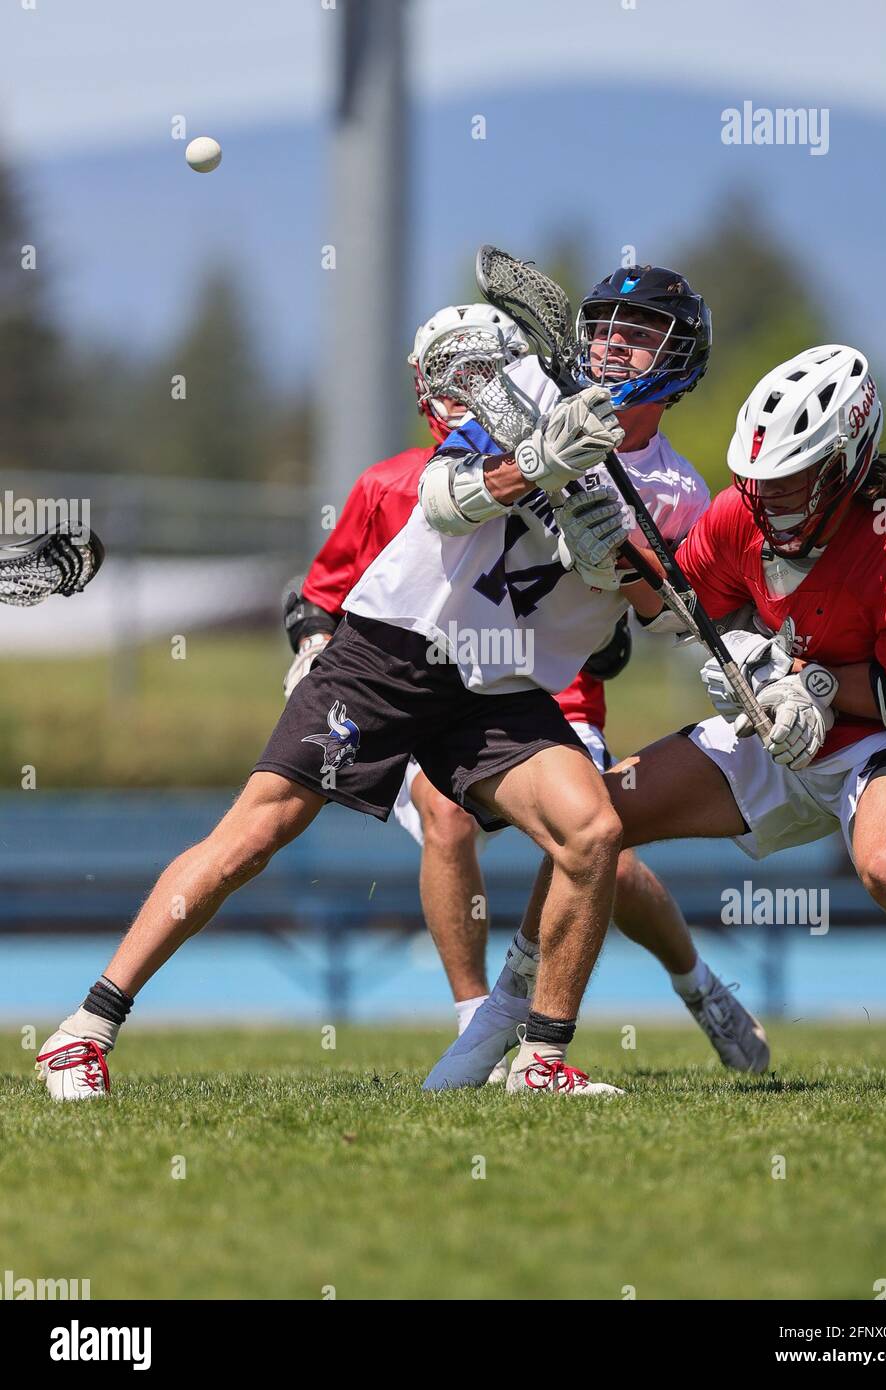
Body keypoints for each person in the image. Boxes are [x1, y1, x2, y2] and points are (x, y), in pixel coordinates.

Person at [35, 264, 727, 1102]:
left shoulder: (680, 490)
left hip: (497, 683)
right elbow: (439, 498)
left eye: (640, 329)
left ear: (680, 356)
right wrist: (538, 465)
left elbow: (663, 608)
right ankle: (83, 1033)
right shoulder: (529, 391)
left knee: (591, 833)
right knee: (258, 832)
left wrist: (612, 550)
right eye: (606, 324)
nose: (615, 342)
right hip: (397, 647)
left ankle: (541, 1063)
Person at [285, 299, 766, 1087]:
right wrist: (311, 651)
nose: (470, 387)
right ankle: (478, 1018)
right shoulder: (391, 482)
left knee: (608, 852)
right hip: (441, 687)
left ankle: (697, 983)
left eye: (484, 369)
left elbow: (618, 634)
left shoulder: (645, 471)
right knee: (445, 817)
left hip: (555, 692)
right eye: (455, 373)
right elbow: (318, 598)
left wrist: (614, 565)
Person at [493, 345, 886, 1057]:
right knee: (592, 817)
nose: (768, 500)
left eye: (792, 481)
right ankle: (530, 1037)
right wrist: (609, 553)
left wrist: (813, 688)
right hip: (780, 730)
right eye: (760, 481)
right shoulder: (742, 515)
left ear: (846, 464)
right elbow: (676, 607)